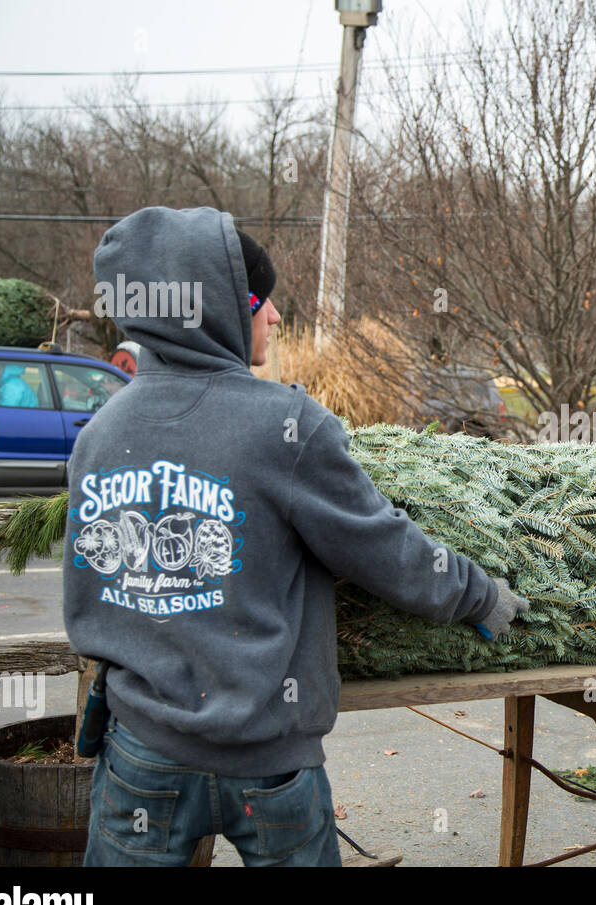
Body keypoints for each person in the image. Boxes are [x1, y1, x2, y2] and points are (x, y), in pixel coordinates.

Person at [65, 206, 527, 866]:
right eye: (259, 300)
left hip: (142, 755)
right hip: (270, 765)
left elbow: (87, 598)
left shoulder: (99, 437)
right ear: (218, 308)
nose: (276, 316)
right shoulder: (283, 425)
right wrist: (479, 596)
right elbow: (384, 548)